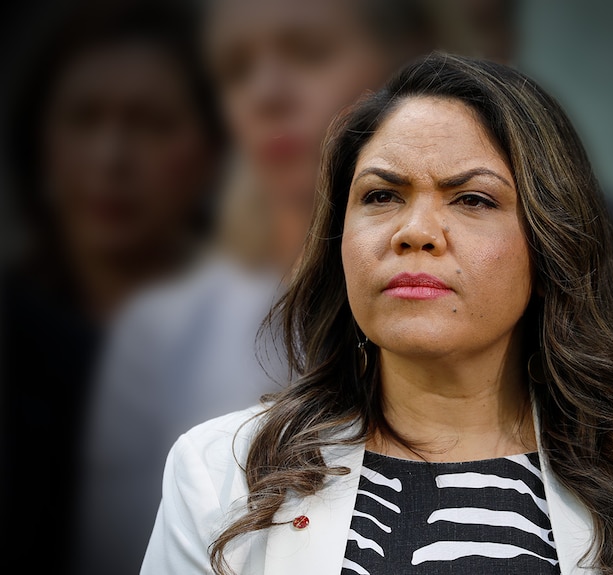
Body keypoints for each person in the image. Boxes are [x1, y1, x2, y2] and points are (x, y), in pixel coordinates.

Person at [141, 53, 613, 575]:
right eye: (382, 196)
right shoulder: (223, 472)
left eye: (472, 199)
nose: (415, 232)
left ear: (551, 243)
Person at [74, 2, 483, 573]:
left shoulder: (531, 281)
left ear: (412, 54)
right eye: (236, 69)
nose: (266, 94)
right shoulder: (164, 334)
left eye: (308, 52)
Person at [0, 0, 223, 572]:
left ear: (211, 151)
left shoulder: (260, 345)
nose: (111, 157)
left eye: (150, 124)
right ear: (40, 145)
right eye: (83, 118)